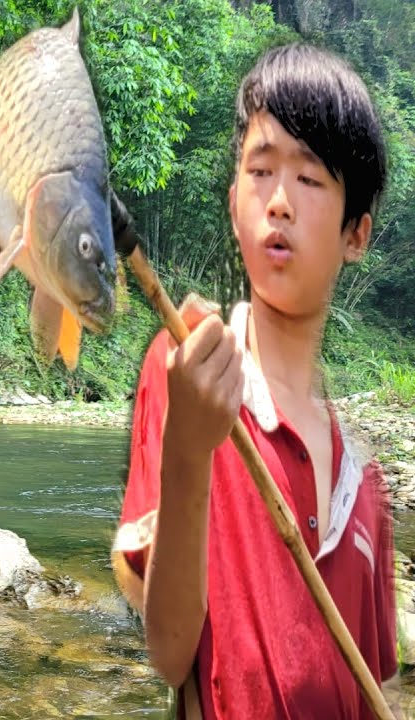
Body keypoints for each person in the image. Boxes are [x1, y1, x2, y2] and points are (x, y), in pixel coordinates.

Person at [110, 44, 401, 718]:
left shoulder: (370, 485)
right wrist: (188, 449)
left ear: (355, 233)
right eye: (260, 170)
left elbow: (373, 686)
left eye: (310, 179)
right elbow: (170, 651)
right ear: (233, 201)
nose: (278, 202)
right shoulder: (188, 365)